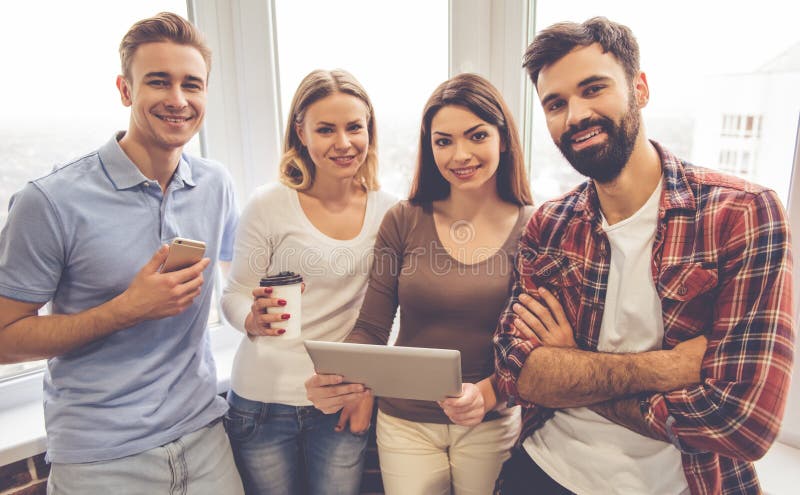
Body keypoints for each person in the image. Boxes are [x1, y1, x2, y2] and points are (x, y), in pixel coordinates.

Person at [493, 17, 794, 495]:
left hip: (681, 482)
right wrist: (669, 367)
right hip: (546, 467)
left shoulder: (741, 214)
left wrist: (573, 367)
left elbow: (742, 421)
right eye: (556, 103)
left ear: (641, 88)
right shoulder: (550, 224)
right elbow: (517, 373)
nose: (575, 115)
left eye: (594, 88)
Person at [0, 12, 243, 494]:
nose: (178, 99)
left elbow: (240, 283)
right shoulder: (49, 200)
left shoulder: (216, 184)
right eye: (159, 82)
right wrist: (126, 310)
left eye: (191, 85)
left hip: (204, 439)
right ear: (125, 90)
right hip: (100, 460)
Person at [306, 73, 534, 495]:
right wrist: (338, 376)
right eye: (443, 140)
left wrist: (488, 394)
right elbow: (372, 329)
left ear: (503, 138)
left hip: (490, 421)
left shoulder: (534, 227)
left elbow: (536, 348)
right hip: (404, 423)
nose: (459, 154)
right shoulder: (405, 218)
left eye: (476, 136)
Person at [220, 69, 397, 495]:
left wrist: (367, 386)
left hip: (339, 397)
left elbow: (388, 317)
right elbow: (233, 296)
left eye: (355, 127)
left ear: (369, 129)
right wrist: (252, 318)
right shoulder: (269, 204)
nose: (343, 142)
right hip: (262, 401)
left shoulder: (390, 211)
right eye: (325, 129)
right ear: (301, 132)